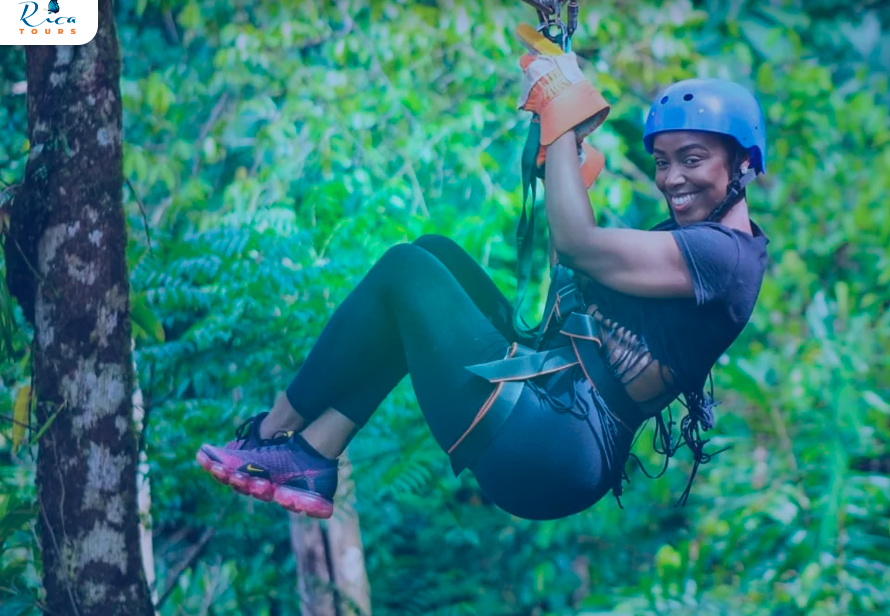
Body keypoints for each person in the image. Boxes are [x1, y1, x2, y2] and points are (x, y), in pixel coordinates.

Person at [196, 42, 769, 522]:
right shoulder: (698, 243)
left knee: (405, 271)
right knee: (432, 257)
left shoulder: (724, 258)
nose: (672, 179)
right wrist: (566, 149)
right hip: (557, 416)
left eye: (691, 159)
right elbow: (581, 277)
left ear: (742, 162)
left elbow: (578, 244)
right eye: (663, 162)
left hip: (554, 441)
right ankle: (314, 454)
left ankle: (271, 436)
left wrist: (562, 117)